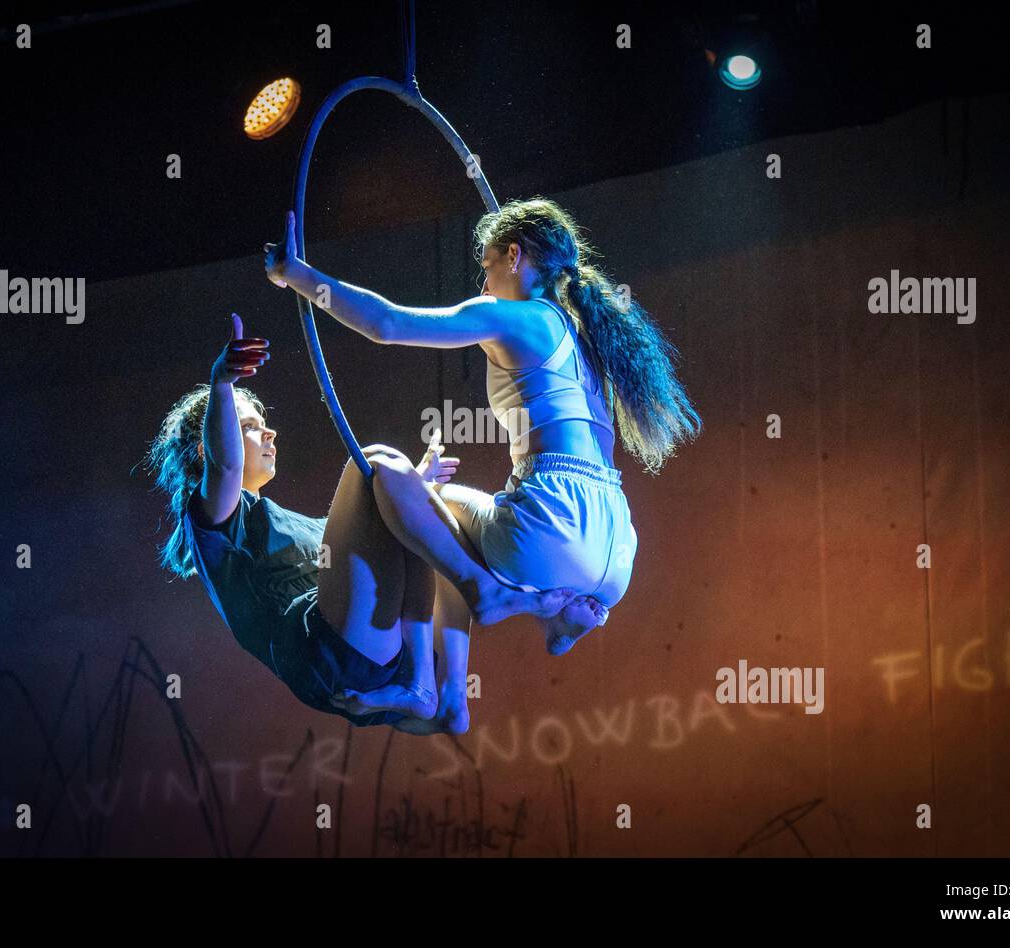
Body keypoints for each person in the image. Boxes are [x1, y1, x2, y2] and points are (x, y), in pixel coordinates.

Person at [264, 197, 702, 681]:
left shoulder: (511, 316)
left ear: (514, 256)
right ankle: (539, 624)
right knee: (454, 530)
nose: (485, 282)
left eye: (488, 266)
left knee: (404, 489)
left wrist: (296, 274)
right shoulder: (588, 335)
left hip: (555, 525)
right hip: (616, 547)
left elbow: (386, 324)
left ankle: (476, 609)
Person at [146, 314, 569, 731]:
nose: (270, 433)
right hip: (322, 648)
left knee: (427, 512)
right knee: (375, 459)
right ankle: (471, 615)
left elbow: (373, 545)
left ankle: (449, 694)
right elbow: (224, 467)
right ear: (208, 446)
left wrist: (410, 489)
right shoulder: (215, 523)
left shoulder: (301, 528)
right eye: (250, 427)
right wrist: (222, 386)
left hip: (370, 653)